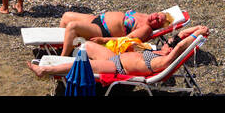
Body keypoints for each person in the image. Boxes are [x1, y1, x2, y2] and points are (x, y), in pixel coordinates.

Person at [27, 25, 210, 79]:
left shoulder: (162, 61)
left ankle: (46, 71)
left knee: (84, 65)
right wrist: (198, 30)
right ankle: (64, 67)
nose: (168, 45)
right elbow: (179, 38)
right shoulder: (163, 52)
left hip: (117, 67)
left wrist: (194, 40)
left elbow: (179, 46)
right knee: (87, 46)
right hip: (116, 58)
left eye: (171, 47)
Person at [56, 8, 173, 56]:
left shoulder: (146, 29)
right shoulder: (146, 16)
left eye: (158, 20)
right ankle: (61, 47)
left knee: (72, 26)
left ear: (158, 26)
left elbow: (126, 40)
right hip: (97, 19)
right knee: (66, 17)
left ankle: (63, 57)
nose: (155, 17)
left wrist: (103, 40)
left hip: (102, 31)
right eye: (157, 15)